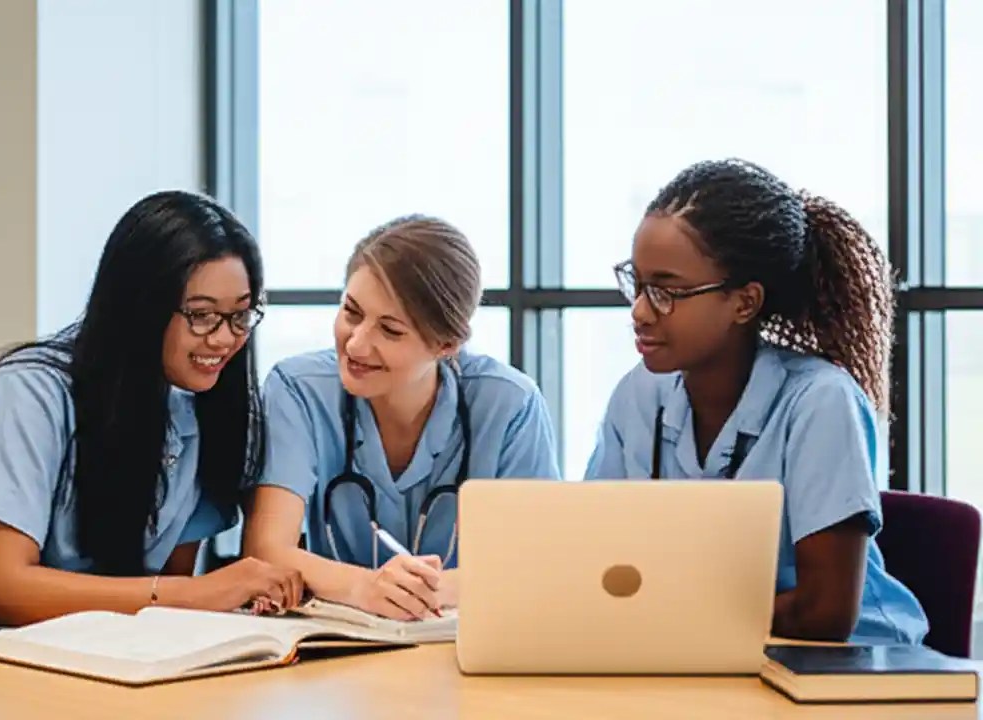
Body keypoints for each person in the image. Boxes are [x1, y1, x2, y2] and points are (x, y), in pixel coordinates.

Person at [0, 191, 303, 645]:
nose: (224, 339)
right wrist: (194, 594)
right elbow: (2, 590)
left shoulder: (203, 408)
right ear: (140, 307)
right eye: (201, 316)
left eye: (240, 315)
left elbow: (170, 596)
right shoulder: (26, 396)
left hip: (121, 664)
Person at [585, 158, 929, 644]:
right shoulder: (638, 395)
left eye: (667, 291)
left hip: (847, 668)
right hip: (701, 655)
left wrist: (671, 617)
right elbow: (591, 559)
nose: (640, 312)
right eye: (637, 285)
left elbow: (824, 613)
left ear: (744, 303)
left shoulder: (819, 402)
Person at [243, 215, 560, 621]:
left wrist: (421, 590)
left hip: (467, 645)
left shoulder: (509, 404)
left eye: (390, 331)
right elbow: (265, 550)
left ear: (447, 344)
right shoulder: (299, 390)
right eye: (351, 313)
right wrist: (364, 587)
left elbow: (536, 563)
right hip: (338, 647)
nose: (356, 344)